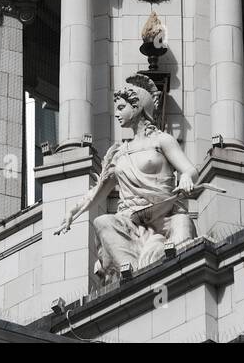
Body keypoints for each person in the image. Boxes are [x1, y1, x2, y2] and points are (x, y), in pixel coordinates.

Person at [54, 73, 200, 284]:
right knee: (103, 221)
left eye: (122, 107)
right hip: (129, 220)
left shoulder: (162, 140)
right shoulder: (119, 154)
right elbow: (96, 194)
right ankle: (131, 277)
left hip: (164, 217)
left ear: (138, 107)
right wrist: (72, 212)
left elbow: (190, 170)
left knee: (183, 225)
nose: (117, 114)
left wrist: (186, 178)